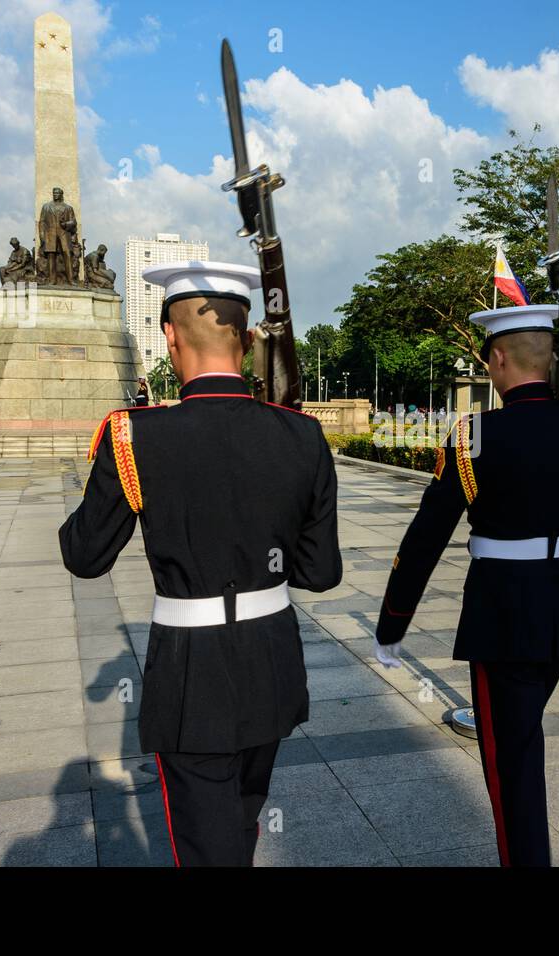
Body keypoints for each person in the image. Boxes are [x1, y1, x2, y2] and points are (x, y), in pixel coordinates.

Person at [59, 261, 342, 867]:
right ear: (244, 339)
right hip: (273, 659)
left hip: (192, 669)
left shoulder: (134, 434)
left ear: (169, 335)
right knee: (239, 824)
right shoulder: (301, 435)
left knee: (205, 843)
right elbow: (320, 573)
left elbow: (85, 557)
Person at [372, 303, 559, 867]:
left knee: (512, 766)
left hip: (503, 617)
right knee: (520, 739)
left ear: (499, 359)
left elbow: (426, 539)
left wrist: (392, 625)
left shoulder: (473, 435)